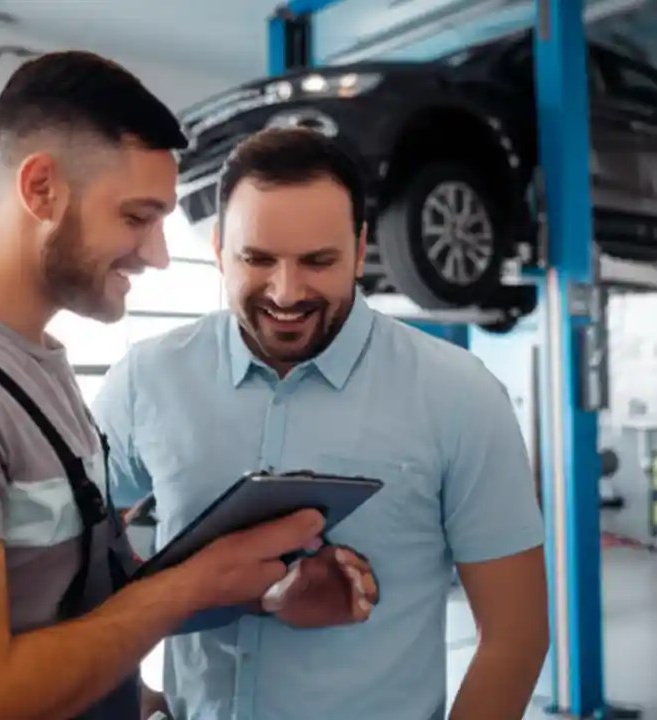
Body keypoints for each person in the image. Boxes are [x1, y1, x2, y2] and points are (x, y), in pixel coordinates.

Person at [0, 52, 358, 720]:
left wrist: (149, 687)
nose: (157, 254)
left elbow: (61, 605)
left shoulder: (31, 363)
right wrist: (188, 587)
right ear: (41, 189)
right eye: (137, 217)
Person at [93, 127, 550, 720]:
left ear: (359, 251)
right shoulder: (148, 379)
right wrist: (121, 695)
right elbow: (73, 565)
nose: (286, 293)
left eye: (318, 261)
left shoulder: (460, 395)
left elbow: (516, 636)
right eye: (258, 259)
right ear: (219, 249)